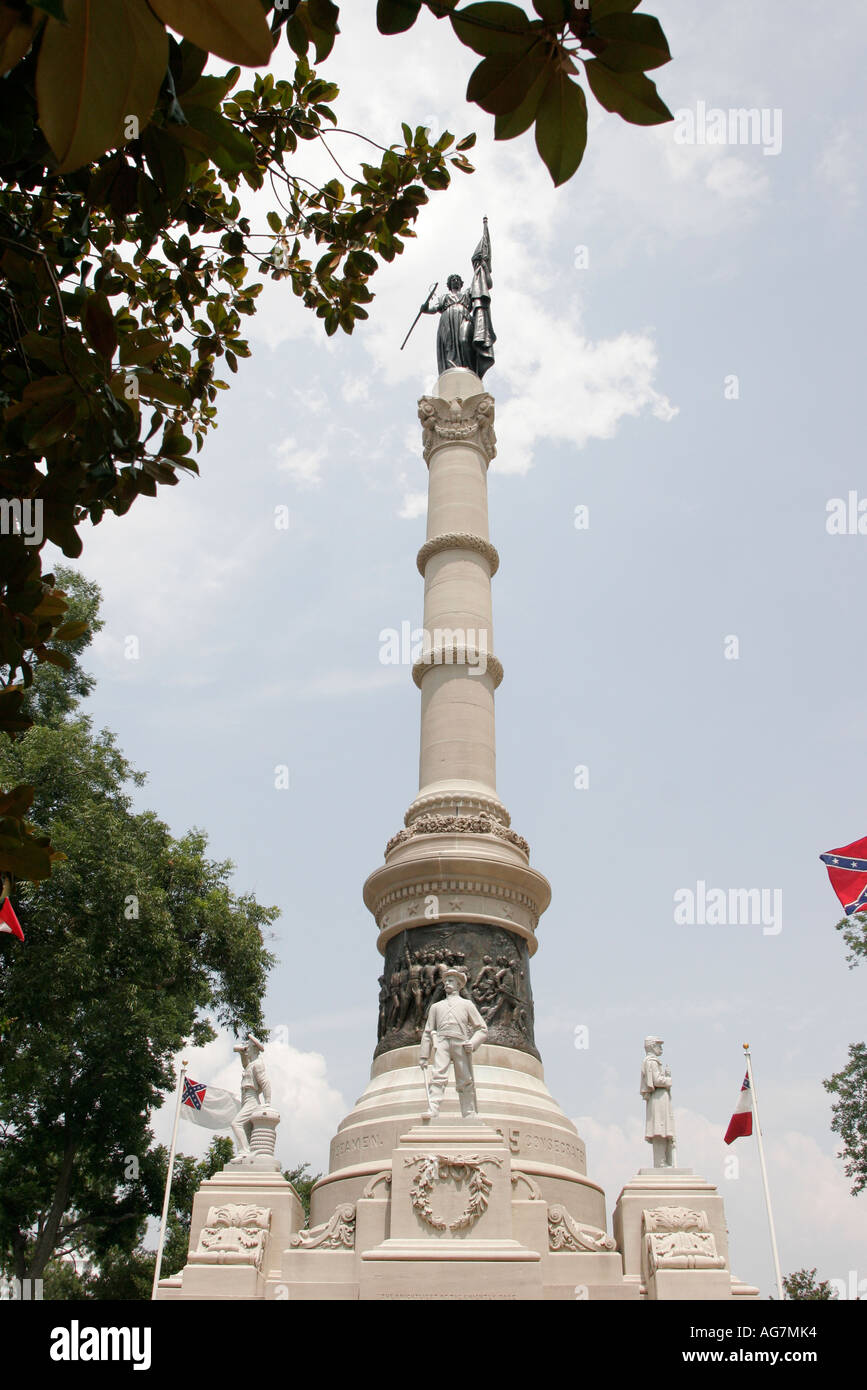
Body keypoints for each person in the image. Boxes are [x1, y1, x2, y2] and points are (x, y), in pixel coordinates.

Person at [420, 968, 487, 1119]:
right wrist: (424, 1056)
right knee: (438, 1076)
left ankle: (468, 1112)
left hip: (461, 1043)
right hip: (442, 1042)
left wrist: (473, 1042)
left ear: (458, 985)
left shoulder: (467, 1004)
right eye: (445, 981)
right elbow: (427, 1031)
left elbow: (482, 1029)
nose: (447, 984)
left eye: (450, 981)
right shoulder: (436, 1007)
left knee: (465, 1079)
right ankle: (433, 1108)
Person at [230, 1035, 271, 1155]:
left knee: (236, 1123)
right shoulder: (251, 1064)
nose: (246, 1047)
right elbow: (245, 1065)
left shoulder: (258, 1064)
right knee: (246, 1130)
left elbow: (265, 1082)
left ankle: (244, 1151)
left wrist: (267, 1101)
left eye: (248, 1046)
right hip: (245, 1097)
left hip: (252, 1099)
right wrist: (242, 1053)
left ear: (253, 1048)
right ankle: (246, 1153)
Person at [641, 1035, 677, 1167]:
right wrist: (668, 1079)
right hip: (658, 1100)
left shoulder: (654, 1062)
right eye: (658, 1045)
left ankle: (667, 1161)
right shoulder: (651, 1062)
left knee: (665, 1131)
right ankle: (661, 1161)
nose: (661, 1048)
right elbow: (656, 1080)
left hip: (661, 1099)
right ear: (651, 1046)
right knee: (659, 1130)